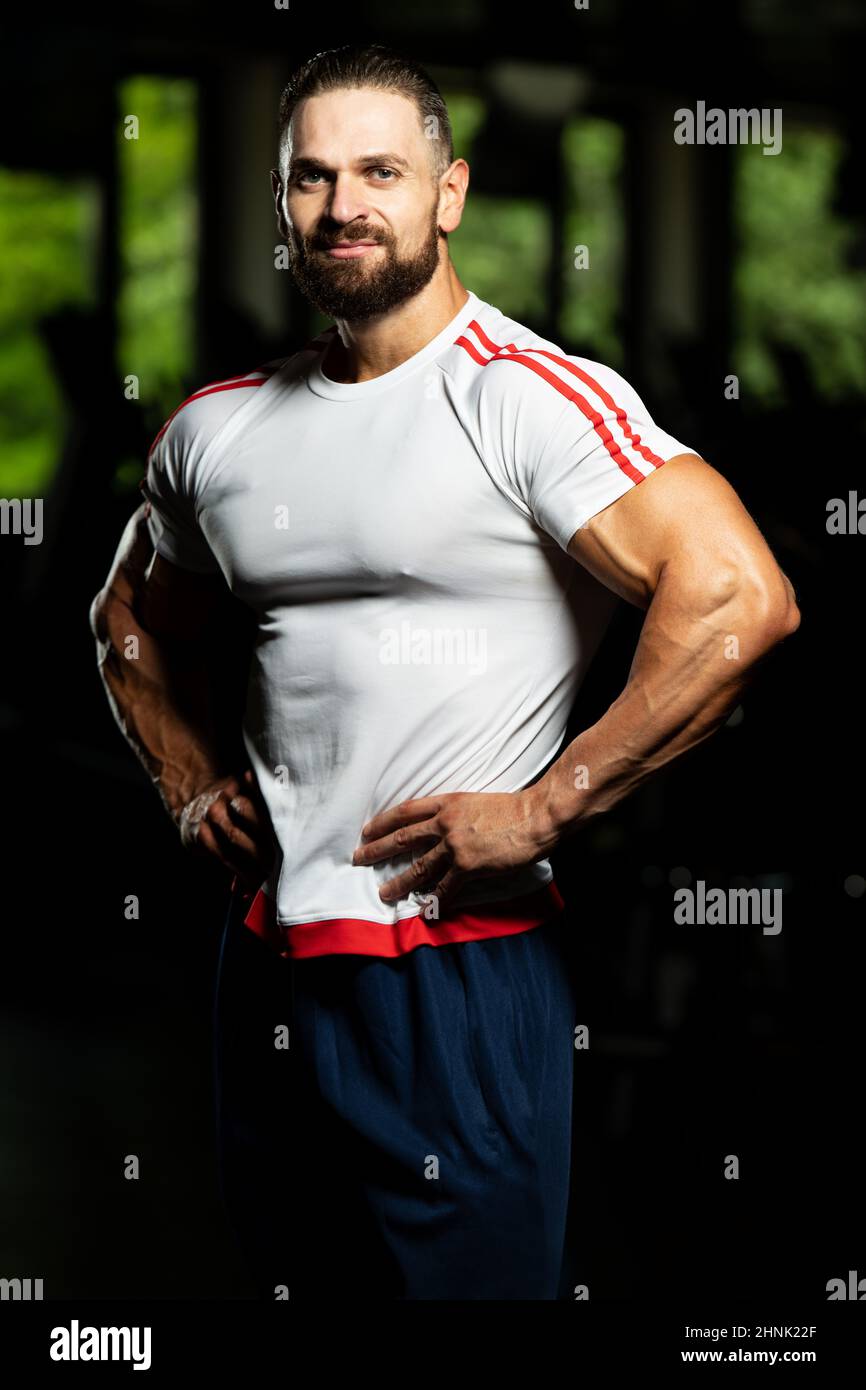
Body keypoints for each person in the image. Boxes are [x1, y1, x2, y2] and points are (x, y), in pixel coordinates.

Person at [90, 43, 800, 1300]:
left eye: (380, 170)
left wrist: (546, 804)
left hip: (456, 960)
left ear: (448, 193)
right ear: (281, 206)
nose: (343, 203)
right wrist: (189, 781)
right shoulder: (220, 428)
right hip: (267, 958)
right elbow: (127, 619)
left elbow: (740, 600)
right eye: (311, 178)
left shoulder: (526, 400)